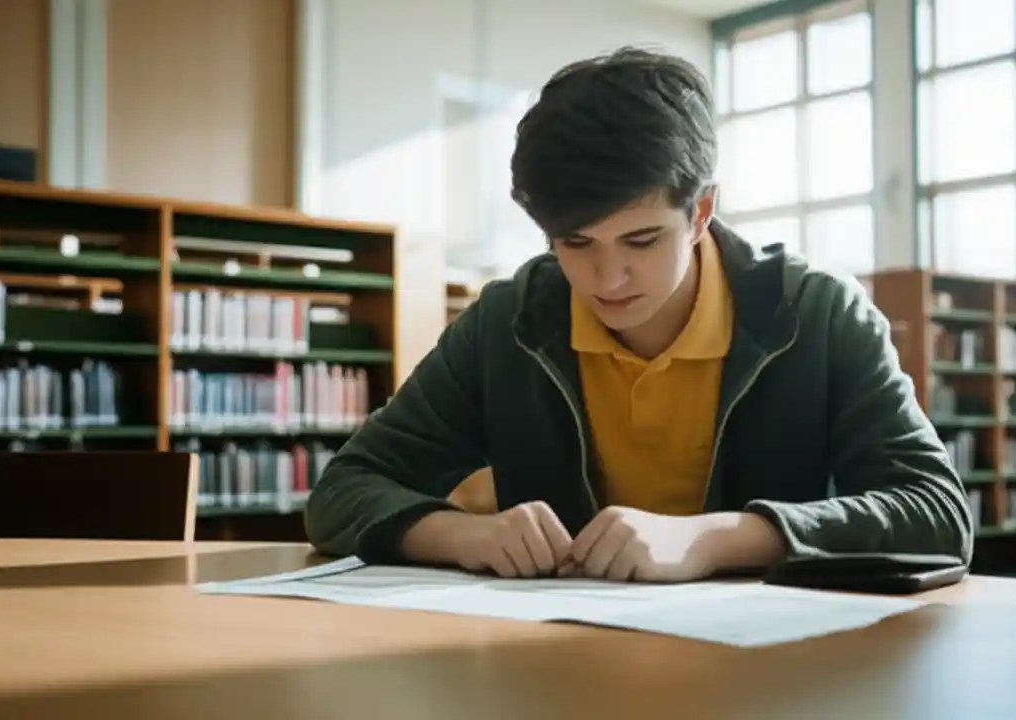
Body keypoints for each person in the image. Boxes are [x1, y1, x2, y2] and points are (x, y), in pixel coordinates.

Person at [305, 47, 973, 582]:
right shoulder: (507, 321)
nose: (608, 278)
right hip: (559, 668)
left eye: (642, 240)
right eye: (575, 244)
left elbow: (937, 513)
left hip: (775, 678)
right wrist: (463, 534)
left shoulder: (822, 313)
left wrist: (715, 538)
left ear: (701, 213)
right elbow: (343, 491)